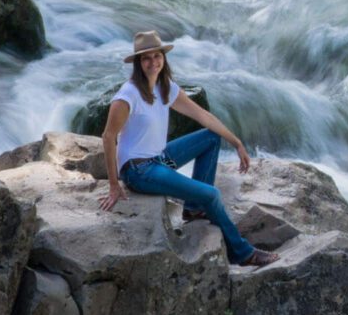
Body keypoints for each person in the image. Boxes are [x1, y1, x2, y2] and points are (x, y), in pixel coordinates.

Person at [99, 31, 278, 267]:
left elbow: (201, 115)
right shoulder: (128, 95)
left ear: (163, 57)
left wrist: (236, 142)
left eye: (157, 56)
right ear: (138, 64)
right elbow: (108, 136)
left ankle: (193, 209)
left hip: (159, 159)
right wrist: (113, 185)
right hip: (139, 171)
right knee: (212, 194)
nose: (153, 63)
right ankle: (242, 253)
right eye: (146, 58)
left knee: (212, 137)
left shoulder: (165, 87)